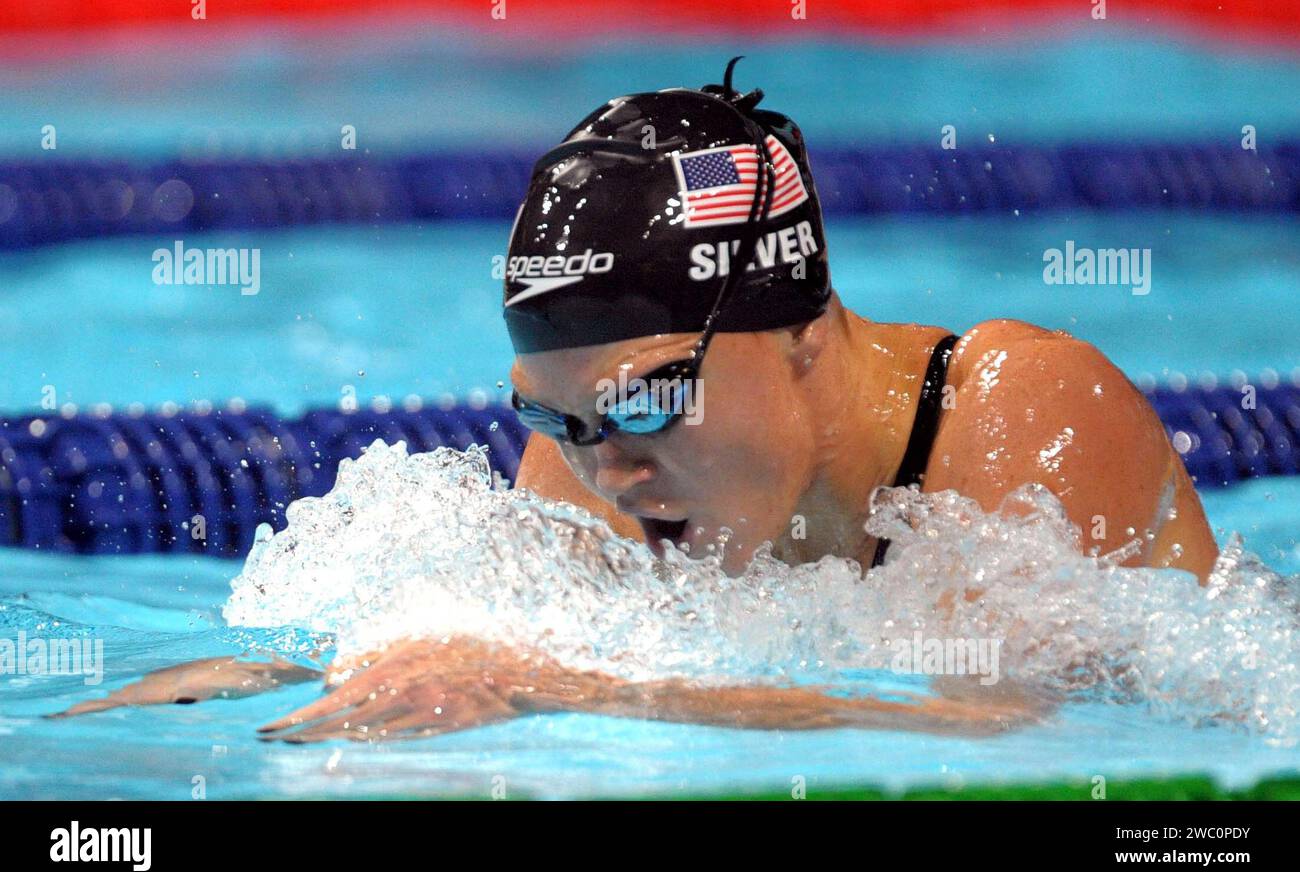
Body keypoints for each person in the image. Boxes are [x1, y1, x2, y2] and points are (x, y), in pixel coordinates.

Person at [57, 64, 1217, 740]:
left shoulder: (1016, 408)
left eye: (650, 401)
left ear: (803, 332)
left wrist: (572, 688)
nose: (605, 467)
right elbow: (493, 654)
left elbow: (993, 730)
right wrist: (279, 684)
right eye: (555, 420)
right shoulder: (598, 451)